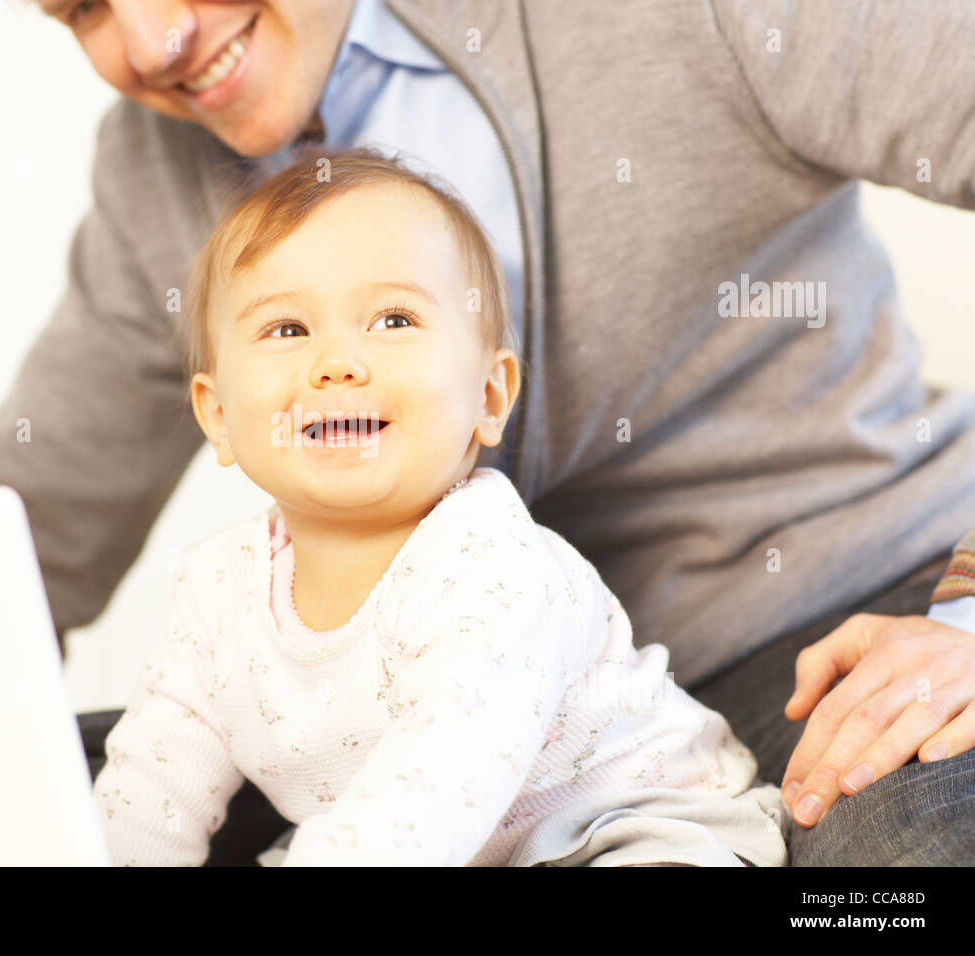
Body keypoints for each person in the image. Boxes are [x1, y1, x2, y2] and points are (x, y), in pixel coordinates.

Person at [0, 0, 975, 864]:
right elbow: (19, 544)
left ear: (493, 390)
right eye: (82, 5)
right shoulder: (152, 171)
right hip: (448, 721)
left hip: (861, 618)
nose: (154, 38)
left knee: (902, 861)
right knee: (41, 803)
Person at [95, 146, 790, 866]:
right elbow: (150, 788)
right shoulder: (219, 591)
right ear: (217, 415)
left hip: (633, 829)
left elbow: (423, 800)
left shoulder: (491, 566)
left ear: (488, 397)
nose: (336, 362)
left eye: (393, 320)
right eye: (288, 330)